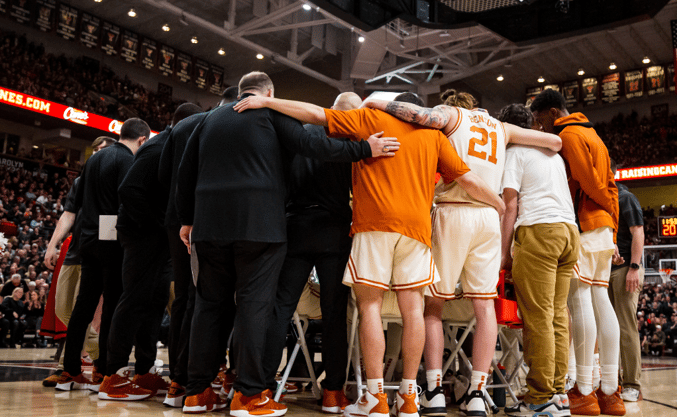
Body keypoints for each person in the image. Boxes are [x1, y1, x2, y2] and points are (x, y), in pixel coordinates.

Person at [233, 90, 503, 417]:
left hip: (372, 224)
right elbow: (469, 179)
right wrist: (498, 204)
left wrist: (269, 101)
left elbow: (316, 114)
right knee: (413, 310)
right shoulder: (433, 134)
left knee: (369, 305)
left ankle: (374, 398)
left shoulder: (369, 119)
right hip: (417, 228)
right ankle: (409, 399)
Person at [177, 72, 399, 416]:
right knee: (282, 308)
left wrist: (186, 219)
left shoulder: (206, 120)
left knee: (215, 307)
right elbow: (316, 146)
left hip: (220, 225)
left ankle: (198, 392)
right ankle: (268, 394)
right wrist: (364, 149)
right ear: (269, 93)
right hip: (278, 228)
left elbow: (185, 171)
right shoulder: (279, 119)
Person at [363, 92, 562, 417]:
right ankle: (477, 394)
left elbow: (418, 114)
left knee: (433, 306)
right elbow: (554, 142)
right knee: (484, 309)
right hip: (488, 218)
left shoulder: (451, 116)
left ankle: (435, 391)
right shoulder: (501, 127)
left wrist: (377, 102)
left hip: (453, 211)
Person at [259, 92, 366, 414]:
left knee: (280, 308)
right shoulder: (350, 141)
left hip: (295, 227)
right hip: (334, 230)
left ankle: (262, 386)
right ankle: (333, 392)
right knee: (334, 312)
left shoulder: (301, 134)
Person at [98, 103, 204, 401]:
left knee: (155, 300)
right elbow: (128, 189)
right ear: (186, 124)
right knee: (133, 298)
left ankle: (144, 369)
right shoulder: (159, 147)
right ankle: (112, 375)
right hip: (141, 234)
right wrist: (158, 224)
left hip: (157, 236)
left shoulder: (168, 144)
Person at [529, 89, 624, 416]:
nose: (539, 126)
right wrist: (611, 217)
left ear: (554, 111)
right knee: (601, 300)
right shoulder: (593, 134)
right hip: (601, 227)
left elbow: (587, 181)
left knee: (580, 301)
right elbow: (606, 183)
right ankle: (610, 391)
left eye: (541, 119)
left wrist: (606, 206)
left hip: (585, 221)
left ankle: (583, 389)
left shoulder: (568, 135)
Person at [55, 119, 151, 392]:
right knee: (112, 305)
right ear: (142, 140)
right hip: (112, 241)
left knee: (83, 305)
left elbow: (80, 204)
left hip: (86, 238)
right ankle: (107, 371)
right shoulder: (127, 161)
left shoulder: (94, 160)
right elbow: (128, 203)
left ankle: (70, 371)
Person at [158, 87, 240, 408]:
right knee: (209, 301)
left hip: (176, 221)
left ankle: (177, 382)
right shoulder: (223, 125)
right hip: (208, 220)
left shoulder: (182, 127)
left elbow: (166, 175)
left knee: (184, 301)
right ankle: (203, 378)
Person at [494, 103, 577, 417]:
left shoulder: (514, 154)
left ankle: (540, 397)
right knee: (557, 316)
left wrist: (503, 255)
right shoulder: (552, 155)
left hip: (539, 232)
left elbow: (510, 207)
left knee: (538, 318)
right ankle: (557, 393)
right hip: (569, 233)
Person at [41, 138, 114, 386]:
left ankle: (75, 366)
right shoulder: (80, 182)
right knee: (64, 309)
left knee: (83, 312)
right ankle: (96, 357)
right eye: (94, 150)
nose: (97, 154)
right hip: (74, 250)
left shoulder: (114, 181)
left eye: (102, 150)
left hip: (95, 254)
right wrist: (53, 244)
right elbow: (68, 214)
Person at [607, 160, 645, 402]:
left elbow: (638, 233)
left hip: (625, 269)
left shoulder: (625, 198)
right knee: (609, 328)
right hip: (607, 268)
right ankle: (615, 380)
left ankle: (632, 384)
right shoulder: (603, 198)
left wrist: (633, 266)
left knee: (625, 325)